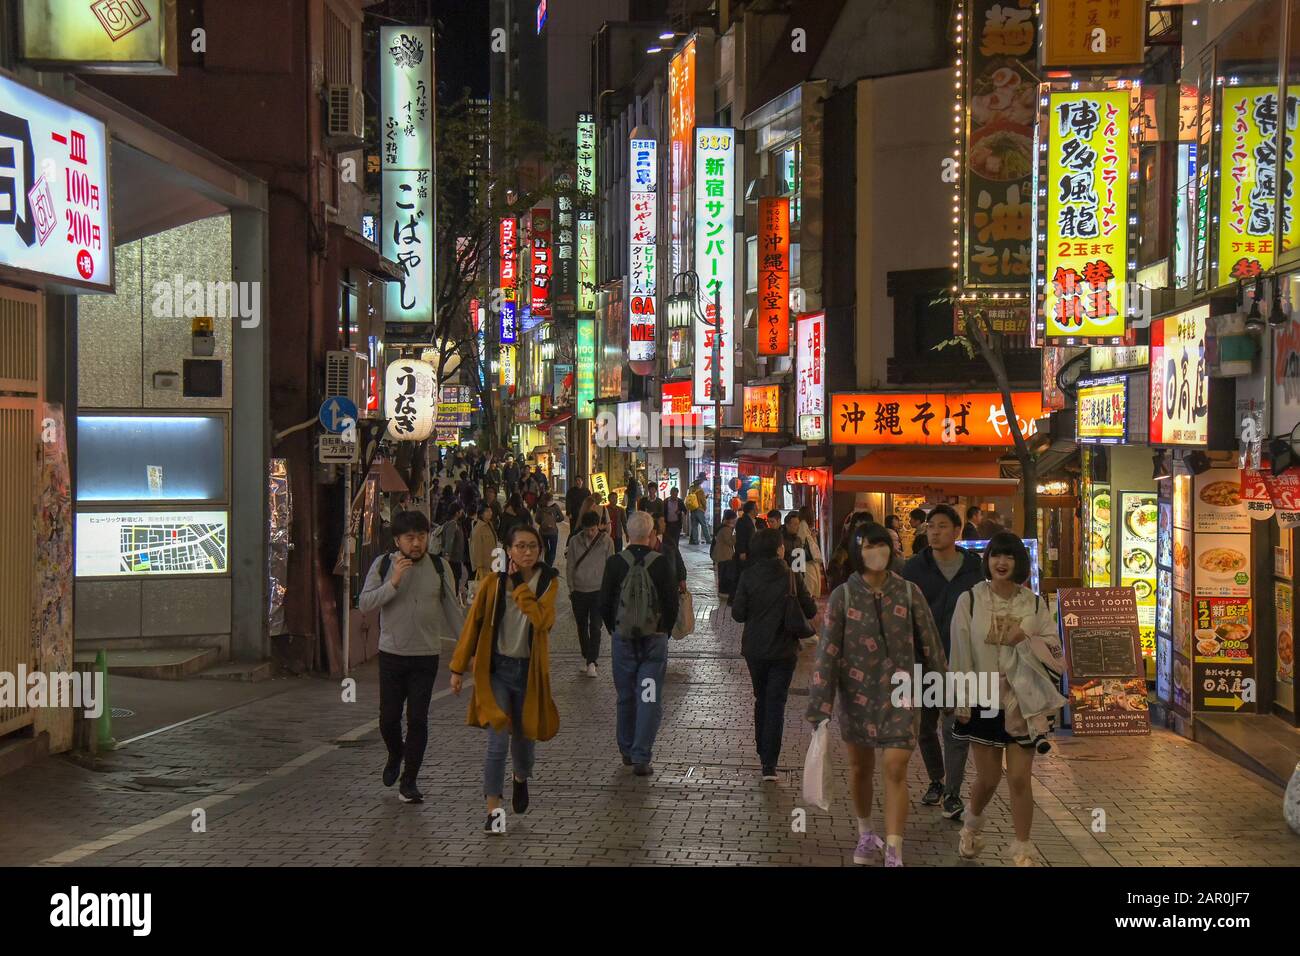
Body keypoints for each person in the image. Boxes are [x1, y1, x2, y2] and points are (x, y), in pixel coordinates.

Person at [806, 523, 948, 867]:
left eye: (882, 544)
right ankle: (866, 832)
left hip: (902, 693)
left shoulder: (910, 592)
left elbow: (931, 645)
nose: (876, 551)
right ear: (858, 551)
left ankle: (895, 848)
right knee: (860, 768)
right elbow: (828, 652)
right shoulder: (844, 595)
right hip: (856, 695)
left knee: (895, 767)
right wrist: (819, 707)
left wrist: (945, 692)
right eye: (868, 545)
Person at [950, 532, 1066, 866]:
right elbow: (959, 651)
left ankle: (1023, 849)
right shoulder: (970, 600)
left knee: (1019, 777)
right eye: (996, 556)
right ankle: (971, 826)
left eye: (1009, 556)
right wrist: (961, 699)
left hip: (1023, 699)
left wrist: (1026, 635)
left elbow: (1054, 649)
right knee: (989, 778)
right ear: (987, 560)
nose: (1001, 563)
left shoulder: (1033, 603)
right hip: (983, 695)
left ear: (1019, 562)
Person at [450, 524, 560, 834]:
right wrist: (457, 669)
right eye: (520, 546)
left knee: (524, 744)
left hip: (529, 673)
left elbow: (542, 620)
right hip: (496, 670)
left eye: (533, 546)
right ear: (508, 550)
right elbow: (474, 625)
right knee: (497, 743)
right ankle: (493, 811)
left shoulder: (548, 583)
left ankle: (521, 778)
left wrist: (519, 586)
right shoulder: (492, 584)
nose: (527, 552)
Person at [360, 511, 466, 804]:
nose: (417, 543)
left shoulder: (440, 566)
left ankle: (409, 781)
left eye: (421, 536)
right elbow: (365, 602)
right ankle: (395, 752)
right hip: (392, 654)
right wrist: (393, 582)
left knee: (418, 719)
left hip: (426, 655)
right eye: (410, 538)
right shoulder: (383, 566)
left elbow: (453, 612)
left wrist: (466, 648)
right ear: (397, 541)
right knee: (388, 719)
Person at [901, 503, 983, 821]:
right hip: (922, 659)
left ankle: (951, 792)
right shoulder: (914, 568)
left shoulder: (975, 567)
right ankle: (936, 778)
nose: (934, 532)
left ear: (957, 530)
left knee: (955, 727)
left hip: (961, 660)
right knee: (924, 726)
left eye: (942, 526)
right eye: (930, 526)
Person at [598, 510, 681, 776]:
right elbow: (671, 602)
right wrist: (663, 630)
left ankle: (626, 749)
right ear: (651, 535)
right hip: (653, 641)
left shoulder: (614, 563)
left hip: (623, 640)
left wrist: (614, 628)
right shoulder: (660, 563)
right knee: (648, 696)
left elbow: (604, 602)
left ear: (627, 535)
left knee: (625, 696)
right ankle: (641, 755)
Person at [732, 528, 817, 780]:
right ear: (779, 549)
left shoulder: (748, 577)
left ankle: (763, 750)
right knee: (776, 703)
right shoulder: (791, 576)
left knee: (761, 698)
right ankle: (770, 762)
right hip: (784, 650)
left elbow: (738, 614)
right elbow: (810, 611)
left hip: (755, 650)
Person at [566, 511, 614, 677]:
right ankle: (586, 656)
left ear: (598, 526)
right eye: (587, 529)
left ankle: (592, 661)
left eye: (593, 529)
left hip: (598, 591)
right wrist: (571, 587)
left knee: (595, 626)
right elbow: (570, 565)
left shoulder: (607, 541)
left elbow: (610, 567)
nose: (590, 533)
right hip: (579, 590)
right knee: (581, 626)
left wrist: (609, 591)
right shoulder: (574, 541)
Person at [439, 502, 468, 592]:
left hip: (455, 559)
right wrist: (447, 557)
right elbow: (449, 541)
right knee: (453, 581)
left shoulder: (456, 524)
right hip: (452, 560)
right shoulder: (452, 524)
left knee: (455, 579)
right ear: (457, 513)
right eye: (461, 511)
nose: (463, 512)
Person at [711, 509, 738, 600]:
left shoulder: (722, 527)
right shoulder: (726, 529)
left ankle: (722, 591)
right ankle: (724, 592)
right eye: (734, 518)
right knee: (725, 575)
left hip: (722, 555)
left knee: (722, 574)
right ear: (729, 519)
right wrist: (736, 536)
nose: (735, 520)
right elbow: (730, 542)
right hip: (725, 555)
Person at [470, 503, 498, 583]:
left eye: (490, 510)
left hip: (492, 563)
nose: (490, 513)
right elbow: (476, 549)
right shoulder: (478, 529)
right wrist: (479, 567)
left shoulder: (489, 525)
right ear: (481, 514)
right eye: (487, 511)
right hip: (484, 567)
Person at [535, 492, 562, 566]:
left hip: (543, 532)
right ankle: (549, 565)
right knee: (553, 549)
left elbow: (537, 519)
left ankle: (546, 563)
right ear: (551, 499)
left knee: (545, 548)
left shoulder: (540, 507)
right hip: (553, 532)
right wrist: (554, 521)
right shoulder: (555, 506)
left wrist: (543, 523)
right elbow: (561, 517)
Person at [735, 501, 758, 574]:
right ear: (751, 510)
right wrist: (742, 551)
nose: (757, 510)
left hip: (751, 551)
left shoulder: (753, 521)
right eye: (756, 508)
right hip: (746, 552)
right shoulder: (743, 521)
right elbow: (741, 537)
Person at [686, 477, 708, 545]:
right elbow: (703, 501)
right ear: (699, 484)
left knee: (694, 526)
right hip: (699, 510)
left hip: (692, 510)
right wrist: (704, 508)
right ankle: (708, 539)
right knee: (704, 525)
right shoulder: (700, 491)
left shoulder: (691, 490)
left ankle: (695, 541)